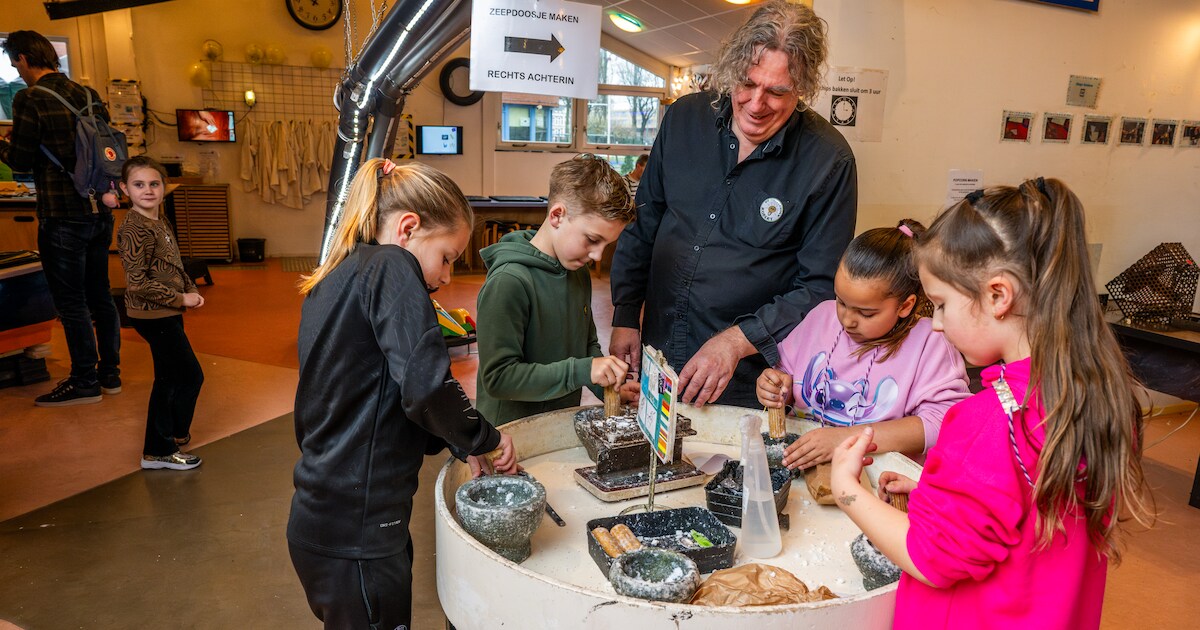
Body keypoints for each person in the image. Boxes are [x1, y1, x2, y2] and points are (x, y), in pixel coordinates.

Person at [829, 178, 1153, 629]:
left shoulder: (986, 420)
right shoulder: (1095, 391)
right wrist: (933, 498)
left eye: (941, 305)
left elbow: (933, 561)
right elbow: (1019, 507)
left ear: (998, 296)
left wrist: (849, 490)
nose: (937, 326)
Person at [288, 158, 519, 629]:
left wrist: (457, 442)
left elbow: (386, 390)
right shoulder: (392, 265)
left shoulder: (340, 272)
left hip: (327, 517)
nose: (447, 277)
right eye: (448, 257)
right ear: (409, 228)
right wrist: (483, 439)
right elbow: (425, 384)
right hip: (359, 531)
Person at [609, 0, 857, 409]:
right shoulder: (685, 118)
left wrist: (736, 341)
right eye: (747, 83)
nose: (757, 104)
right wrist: (624, 313)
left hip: (745, 377)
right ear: (732, 69)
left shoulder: (828, 160)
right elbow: (646, 222)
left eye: (777, 91)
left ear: (803, 87)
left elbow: (819, 287)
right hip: (659, 348)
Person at [756, 220, 969, 470]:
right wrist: (776, 386)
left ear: (905, 306)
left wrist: (846, 438)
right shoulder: (821, 317)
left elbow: (942, 423)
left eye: (866, 313)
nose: (847, 320)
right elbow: (785, 374)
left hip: (877, 481)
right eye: (841, 301)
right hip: (803, 467)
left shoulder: (931, 342)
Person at [0, 30, 122, 406]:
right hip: (100, 209)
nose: (15, 70)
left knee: (70, 303)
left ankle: (84, 382)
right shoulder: (88, 95)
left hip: (61, 214)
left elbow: (19, 161)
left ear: (22, 58)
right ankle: (110, 376)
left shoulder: (30, 98)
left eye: (13, 61)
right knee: (100, 294)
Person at [476, 154, 639, 426]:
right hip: (509, 436)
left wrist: (608, 386)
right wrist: (582, 371)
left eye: (606, 245)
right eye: (592, 240)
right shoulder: (509, 282)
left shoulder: (578, 273)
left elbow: (587, 346)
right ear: (557, 215)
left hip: (555, 425)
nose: (598, 256)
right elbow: (498, 378)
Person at [115, 156, 205, 471]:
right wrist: (180, 298)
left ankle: (175, 433)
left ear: (164, 187)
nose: (148, 190)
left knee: (174, 375)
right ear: (125, 189)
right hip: (152, 315)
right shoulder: (133, 229)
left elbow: (174, 264)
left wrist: (191, 289)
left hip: (168, 311)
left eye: (154, 184)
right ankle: (157, 449)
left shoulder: (160, 220)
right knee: (184, 376)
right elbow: (137, 283)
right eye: (139, 185)